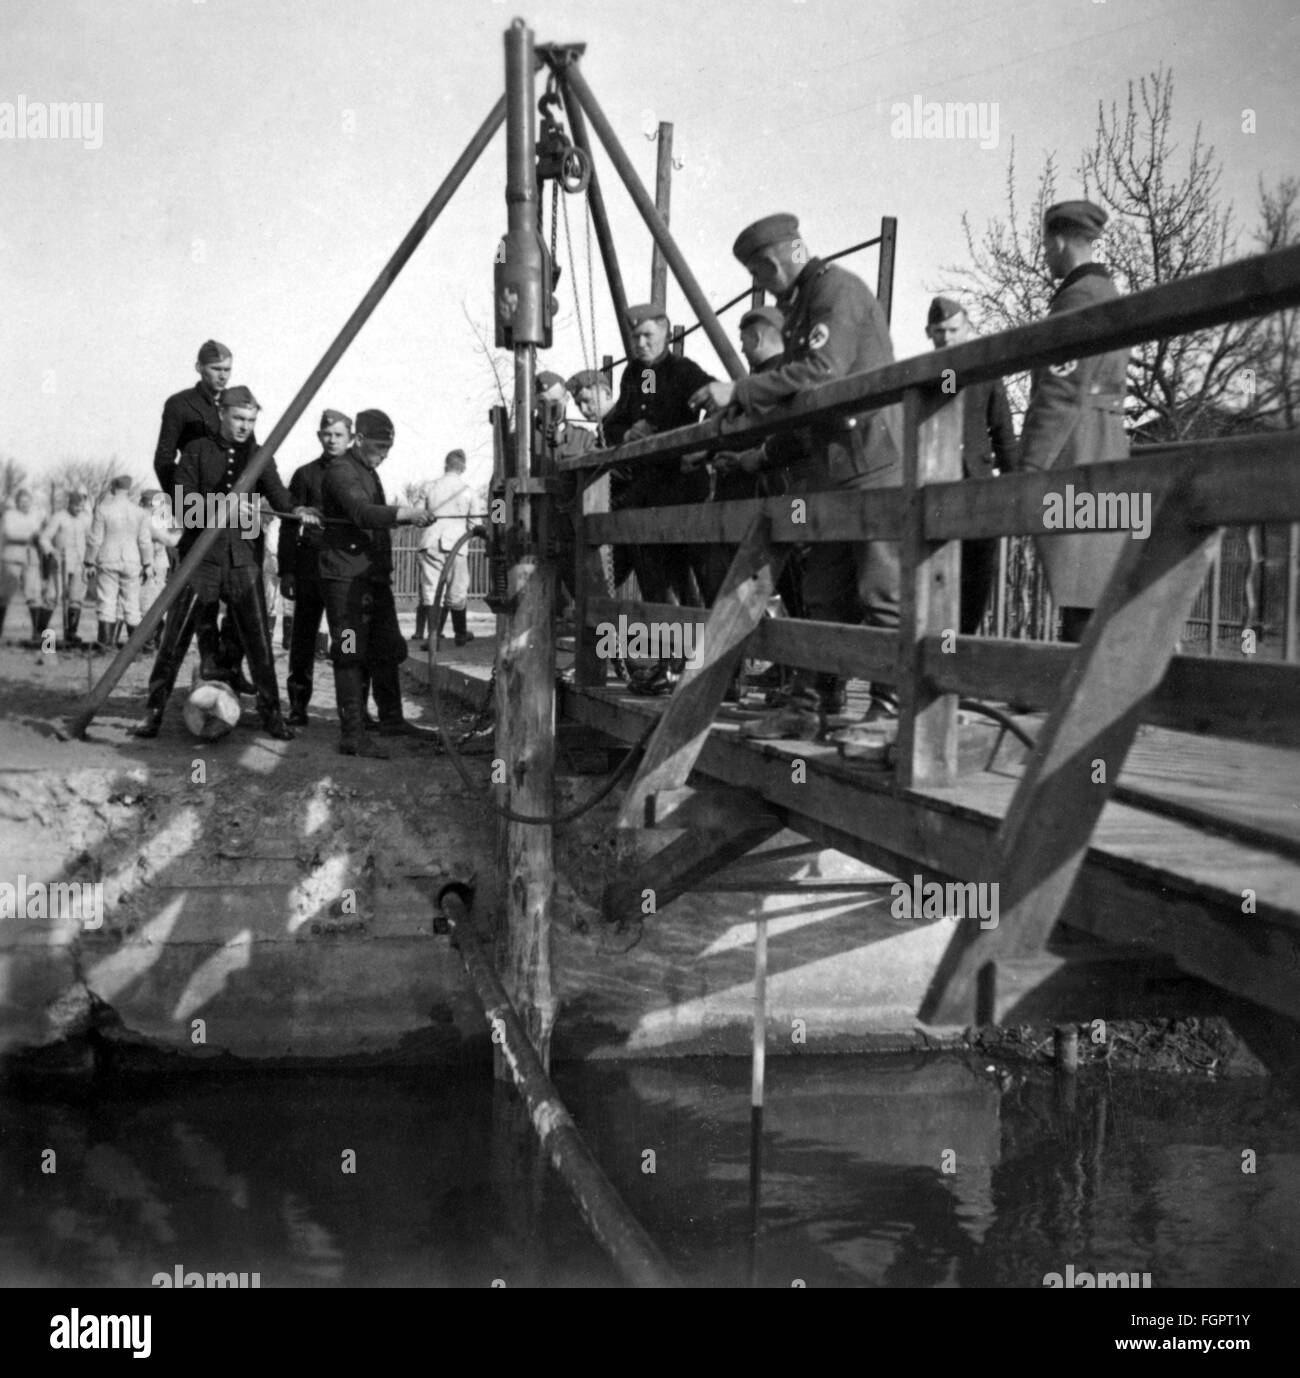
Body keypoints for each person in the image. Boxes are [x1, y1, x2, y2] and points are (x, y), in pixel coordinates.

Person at [692, 212, 903, 745]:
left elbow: (822, 373)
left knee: (881, 591)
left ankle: (890, 712)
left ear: (796, 249)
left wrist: (739, 392)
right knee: (822, 594)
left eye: (767, 265)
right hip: (829, 471)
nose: (765, 278)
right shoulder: (802, 308)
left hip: (872, 463)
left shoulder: (837, 291)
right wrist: (751, 445)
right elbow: (802, 404)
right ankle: (808, 707)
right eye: (756, 271)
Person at [132, 385, 318, 740]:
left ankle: (271, 716)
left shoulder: (260, 455)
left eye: (250, 420)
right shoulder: (196, 451)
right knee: (174, 640)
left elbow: (278, 494)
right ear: (222, 414)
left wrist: (298, 510)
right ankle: (153, 713)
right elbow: (184, 506)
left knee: (260, 641)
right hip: (199, 558)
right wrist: (225, 506)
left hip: (243, 559)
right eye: (238, 418)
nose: (244, 426)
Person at [1016, 200, 1131, 643]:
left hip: (1077, 448)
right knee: (1093, 576)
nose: (1045, 253)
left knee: (1079, 577)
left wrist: (1029, 468)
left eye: (1046, 243)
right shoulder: (1107, 292)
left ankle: (1072, 695)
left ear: (1060, 241)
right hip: (1108, 443)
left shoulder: (1076, 299)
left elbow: (1060, 390)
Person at [603, 302, 716, 695]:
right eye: (636, 337)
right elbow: (615, 421)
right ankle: (672, 666)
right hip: (647, 493)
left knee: (699, 580)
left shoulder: (684, 372)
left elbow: (718, 403)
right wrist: (627, 432)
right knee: (656, 583)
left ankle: (719, 673)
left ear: (666, 334)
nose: (641, 343)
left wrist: (701, 445)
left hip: (684, 492)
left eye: (648, 335)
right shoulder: (635, 374)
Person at [319, 408, 435, 758]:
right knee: (350, 652)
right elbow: (362, 513)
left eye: (389, 448)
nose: (384, 455)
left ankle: (391, 719)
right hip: (344, 582)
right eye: (379, 447)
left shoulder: (368, 472)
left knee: (387, 648)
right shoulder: (341, 471)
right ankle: (352, 734)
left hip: (372, 580)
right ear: (359, 439)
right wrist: (406, 514)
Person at [925, 296, 1017, 633]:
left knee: (976, 581)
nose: (946, 338)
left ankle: (957, 651)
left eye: (953, 330)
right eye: (939, 332)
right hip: (935, 490)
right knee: (935, 580)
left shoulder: (986, 374)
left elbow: (1003, 432)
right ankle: (940, 656)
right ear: (928, 333)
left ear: (967, 329)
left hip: (977, 488)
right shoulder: (927, 377)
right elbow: (948, 388)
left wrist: (1016, 487)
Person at [280, 409, 350, 726]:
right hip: (309, 569)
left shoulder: (359, 474)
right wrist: (288, 571)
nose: (332, 439)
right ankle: (297, 705)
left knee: (346, 639)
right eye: (327, 434)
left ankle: (351, 709)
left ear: (350, 438)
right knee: (303, 639)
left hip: (345, 573)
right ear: (319, 436)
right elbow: (287, 527)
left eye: (338, 434)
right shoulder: (305, 475)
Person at [537, 370, 597, 614]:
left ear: (566, 401)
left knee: (587, 604)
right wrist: (499, 526)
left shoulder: (583, 439)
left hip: (573, 538)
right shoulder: (519, 442)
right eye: (542, 402)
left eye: (555, 401)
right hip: (533, 539)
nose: (549, 408)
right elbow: (498, 495)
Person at [84, 476, 152, 652]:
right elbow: (145, 542)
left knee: (107, 600)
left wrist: (89, 562)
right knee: (132, 604)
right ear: (128, 489)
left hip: (108, 558)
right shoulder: (140, 512)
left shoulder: (103, 509)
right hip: (132, 560)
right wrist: (148, 564)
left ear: (113, 488)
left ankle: (105, 645)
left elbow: (95, 539)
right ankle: (134, 649)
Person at [417, 448, 477, 649]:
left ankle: (433, 637)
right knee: (457, 591)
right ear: (463, 468)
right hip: (457, 545)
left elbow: (417, 515)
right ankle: (460, 634)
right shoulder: (468, 490)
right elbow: (475, 524)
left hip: (431, 543)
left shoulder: (429, 487)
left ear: (445, 466)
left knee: (432, 590)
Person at [38, 485, 93, 647]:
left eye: (82, 505)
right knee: (52, 596)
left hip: (80, 563)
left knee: (76, 599)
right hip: (61, 562)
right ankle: (40, 631)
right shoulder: (59, 517)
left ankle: (71, 633)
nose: (79, 508)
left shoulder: (87, 518)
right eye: (76, 505)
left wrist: (91, 561)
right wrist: (51, 551)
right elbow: (44, 538)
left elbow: (92, 541)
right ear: (69, 503)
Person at [1, 488, 45, 646]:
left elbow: (39, 533)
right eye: (22, 501)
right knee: (4, 595)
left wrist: (33, 534)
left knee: (34, 594)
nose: (25, 504)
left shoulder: (35, 515)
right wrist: (30, 534)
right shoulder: (9, 515)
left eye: (27, 501)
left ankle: (37, 633)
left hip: (31, 557)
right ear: (17, 502)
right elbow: (10, 532)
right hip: (11, 557)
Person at [138, 489, 180, 651]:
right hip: (151, 566)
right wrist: (181, 534)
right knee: (149, 605)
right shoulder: (147, 519)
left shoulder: (153, 518)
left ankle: (153, 641)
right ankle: (149, 643)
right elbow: (169, 540)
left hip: (157, 565)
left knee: (154, 603)